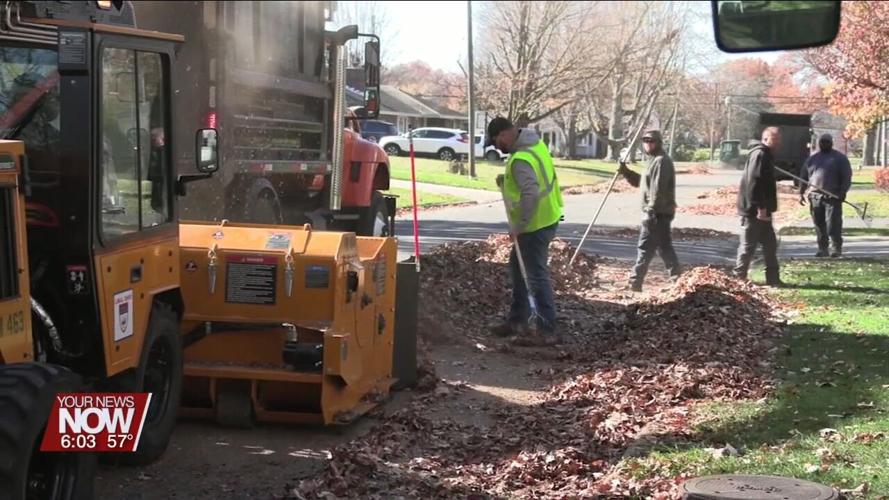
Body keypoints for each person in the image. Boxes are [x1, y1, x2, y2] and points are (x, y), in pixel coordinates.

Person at [485, 117, 564, 346]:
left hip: (534, 225)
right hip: (548, 218)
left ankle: (546, 330)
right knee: (518, 269)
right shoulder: (535, 144)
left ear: (503, 135)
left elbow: (530, 192)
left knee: (535, 276)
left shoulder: (520, 159)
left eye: (497, 142)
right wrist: (506, 181)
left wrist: (519, 226)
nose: (499, 147)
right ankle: (518, 320)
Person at [617, 129, 681, 292]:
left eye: (651, 141)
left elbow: (658, 190)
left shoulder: (661, 161)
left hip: (658, 214)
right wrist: (626, 172)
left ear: (658, 142)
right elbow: (643, 183)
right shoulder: (651, 161)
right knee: (663, 247)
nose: (647, 143)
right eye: (645, 140)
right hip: (657, 212)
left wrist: (650, 210)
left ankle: (635, 282)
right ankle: (677, 279)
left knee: (645, 247)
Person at [734, 126, 783, 286]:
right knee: (748, 246)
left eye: (778, 140)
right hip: (754, 211)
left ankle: (773, 279)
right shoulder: (760, 155)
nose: (777, 144)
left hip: (764, 211)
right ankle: (738, 278)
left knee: (770, 245)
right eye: (774, 140)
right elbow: (755, 183)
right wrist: (761, 208)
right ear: (765, 139)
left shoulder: (766, 155)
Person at [800, 133, 852, 258]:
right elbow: (804, 176)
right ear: (819, 143)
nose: (824, 144)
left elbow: (846, 177)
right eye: (822, 141)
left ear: (831, 143)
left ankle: (836, 248)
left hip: (832, 197)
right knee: (819, 224)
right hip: (815, 196)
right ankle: (822, 248)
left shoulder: (840, 159)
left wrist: (842, 192)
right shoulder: (812, 159)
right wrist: (801, 193)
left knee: (833, 224)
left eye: (826, 141)